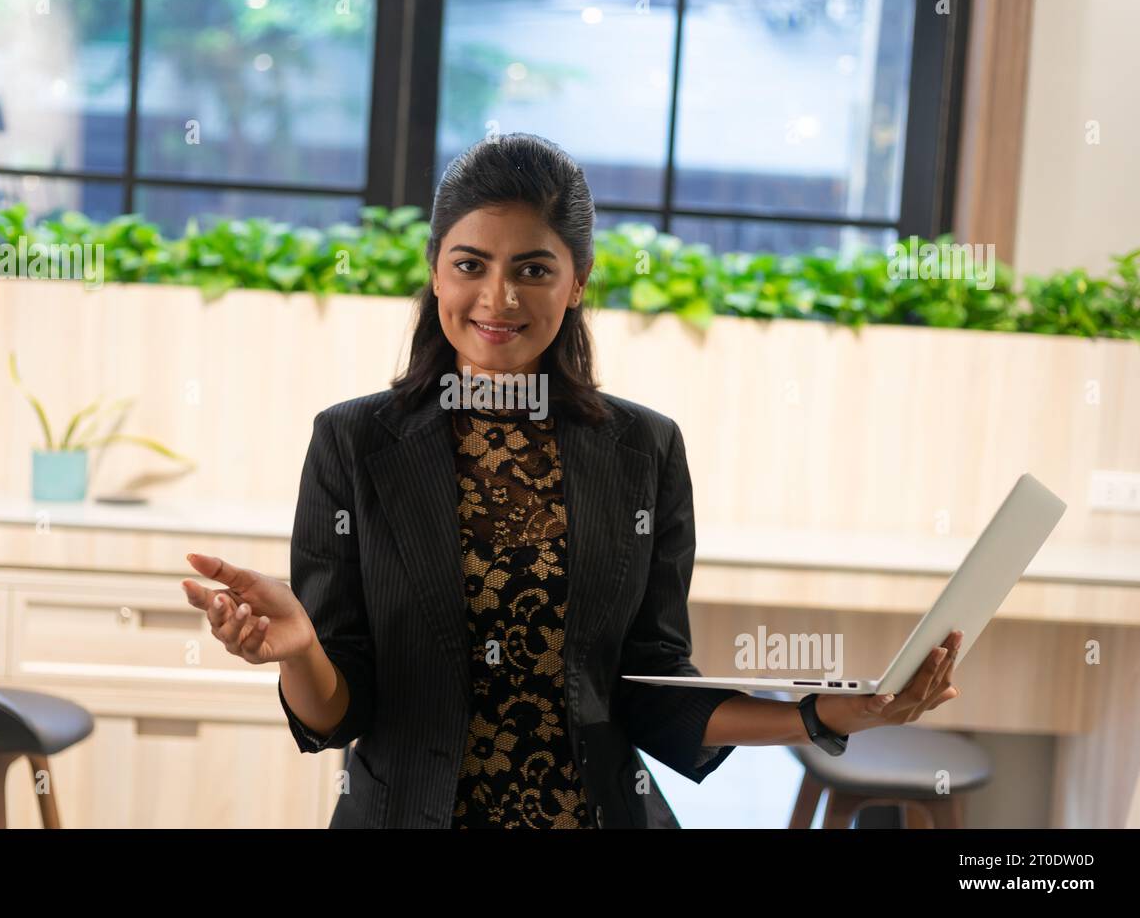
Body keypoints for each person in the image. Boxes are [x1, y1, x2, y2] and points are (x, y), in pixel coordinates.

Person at [180, 133, 962, 828]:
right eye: (470, 265)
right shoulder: (352, 443)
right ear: (435, 272)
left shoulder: (643, 449)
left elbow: (652, 691)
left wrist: (828, 715)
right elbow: (337, 713)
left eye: (533, 269)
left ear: (577, 281)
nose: (498, 298)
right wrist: (300, 650)